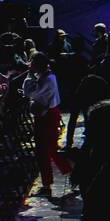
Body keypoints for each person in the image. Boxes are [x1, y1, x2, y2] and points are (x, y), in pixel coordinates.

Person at [23, 52, 73, 197]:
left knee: (47, 149)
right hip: (48, 115)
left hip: (48, 116)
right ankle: (53, 180)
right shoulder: (48, 76)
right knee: (46, 149)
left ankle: (61, 177)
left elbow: (30, 93)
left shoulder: (48, 79)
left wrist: (28, 76)